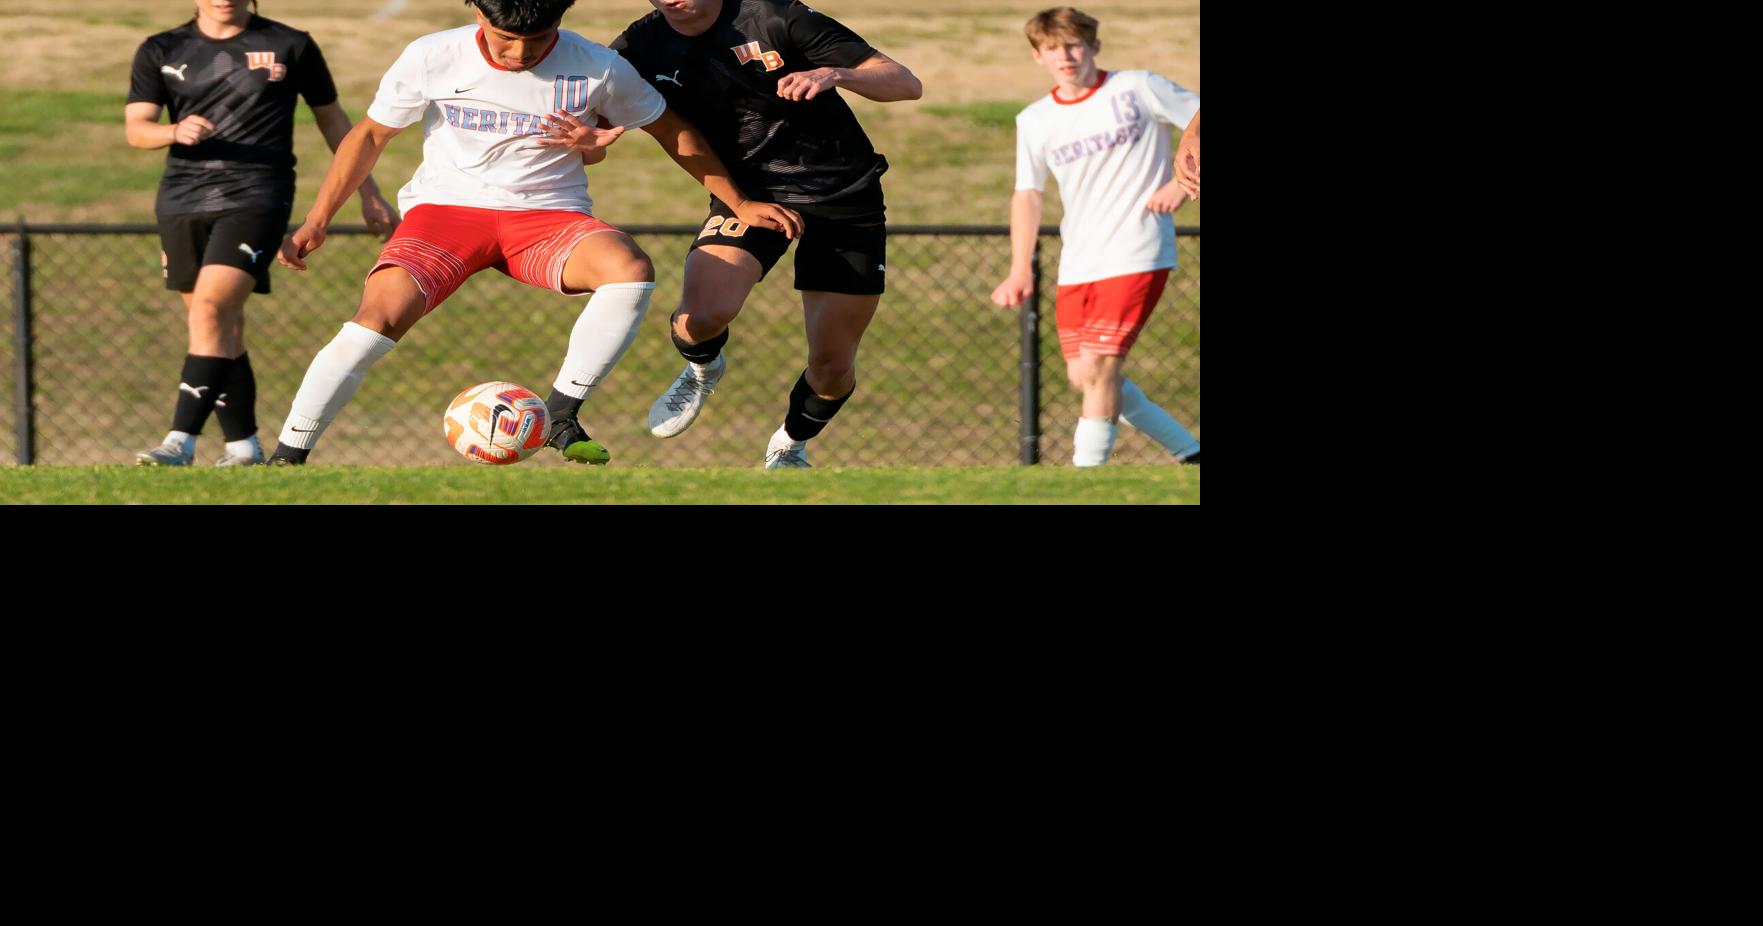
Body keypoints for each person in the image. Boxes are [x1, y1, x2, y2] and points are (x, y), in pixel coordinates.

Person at [265, 0, 801, 466]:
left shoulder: (599, 65)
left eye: (536, 41)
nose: (520, 56)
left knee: (630, 271)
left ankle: (562, 413)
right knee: (374, 319)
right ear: (477, 12)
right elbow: (370, 135)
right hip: (447, 212)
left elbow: (673, 130)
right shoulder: (432, 54)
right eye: (506, 40)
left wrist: (740, 201)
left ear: (561, 20)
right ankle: (288, 457)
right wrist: (318, 219)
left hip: (547, 216)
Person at [608, 0, 922, 468]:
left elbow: (905, 83)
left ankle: (789, 445)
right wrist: (590, 137)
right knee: (698, 320)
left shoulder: (776, 17)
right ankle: (702, 368)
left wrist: (837, 74)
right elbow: (600, 114)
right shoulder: (640, 45)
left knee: (833, 367)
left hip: (844, 194)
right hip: (751, 196)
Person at [126, 0, 399, 466]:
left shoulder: (289, 44)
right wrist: (173, 132)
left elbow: (334, 121)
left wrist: (367, 193)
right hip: (182, 198)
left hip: (257, 195)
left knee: (212, 309)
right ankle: (243, 446)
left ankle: (179, 441)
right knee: (215, 325)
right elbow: (137, 129)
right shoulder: (161, 48)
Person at [989, 7, 1201, 467]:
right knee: (1085, 375)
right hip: (1079, 259)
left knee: (1103, 365)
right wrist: (1019, 267)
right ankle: (1192, 454)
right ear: (1037, 56)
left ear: (1094, 47)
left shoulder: (1139, 87)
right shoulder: (1035, 119)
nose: (1065, 56)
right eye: (1052, 48)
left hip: (1138, 249)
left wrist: (1181, 182)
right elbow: (1027, 193)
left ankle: (1085, 482)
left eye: (1073, 45)